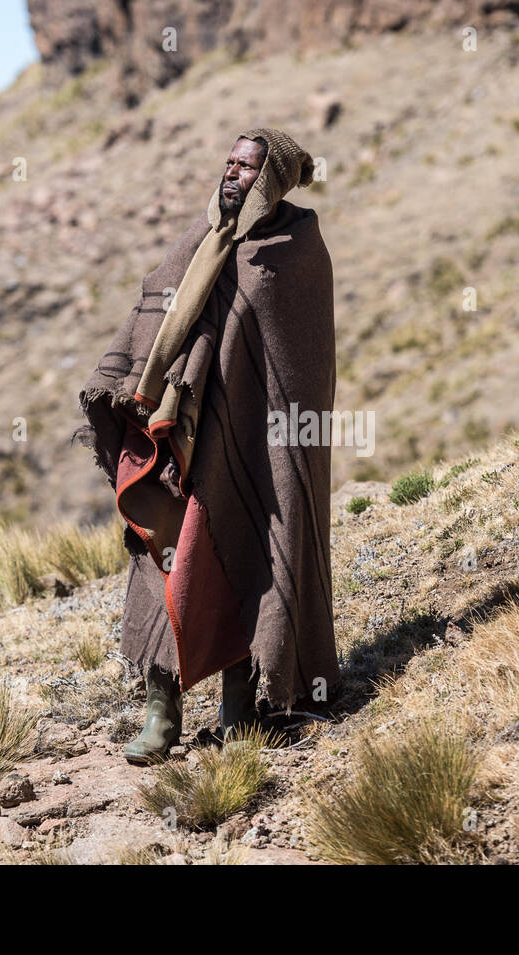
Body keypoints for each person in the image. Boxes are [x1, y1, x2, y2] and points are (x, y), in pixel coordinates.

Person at [76, 128, 339, 763]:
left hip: (253, 441)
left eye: (246, 168)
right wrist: (133, 386)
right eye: (228, 163)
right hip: (179, 439)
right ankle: (161, 716)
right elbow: (156, 309)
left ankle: (239, 713)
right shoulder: (202, 239)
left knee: (245, 560)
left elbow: (295, 364)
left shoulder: (293, 248)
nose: (232, 175)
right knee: (166, 560)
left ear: (271, 178)